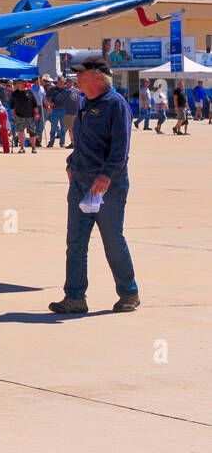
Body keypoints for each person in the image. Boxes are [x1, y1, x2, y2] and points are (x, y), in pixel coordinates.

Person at [50, 55, 139, 314]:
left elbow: (121, 147)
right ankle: (74, 297)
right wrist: (70, 163)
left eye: (81, 73)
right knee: (75, 242)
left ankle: (129, 293)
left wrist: (106, 175)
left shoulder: (115, 104)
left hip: (107, 185)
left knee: (112, 240)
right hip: (79, 183)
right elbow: (81, 141)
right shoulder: (84, 103)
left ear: (98, 77)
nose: (76, 77)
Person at [10, 80, 38, 153]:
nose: (17, 85)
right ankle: (22, 147)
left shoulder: (30, 92)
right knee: (20, 132)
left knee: (32, 132)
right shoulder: (14, 93)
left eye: (19, 83)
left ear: (23, 84)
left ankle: (34, 148)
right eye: (17, 84)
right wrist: (13, 114)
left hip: (30, 116)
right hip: (19, 116)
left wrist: (36, 113)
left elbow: (35, 104)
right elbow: (12, 105)